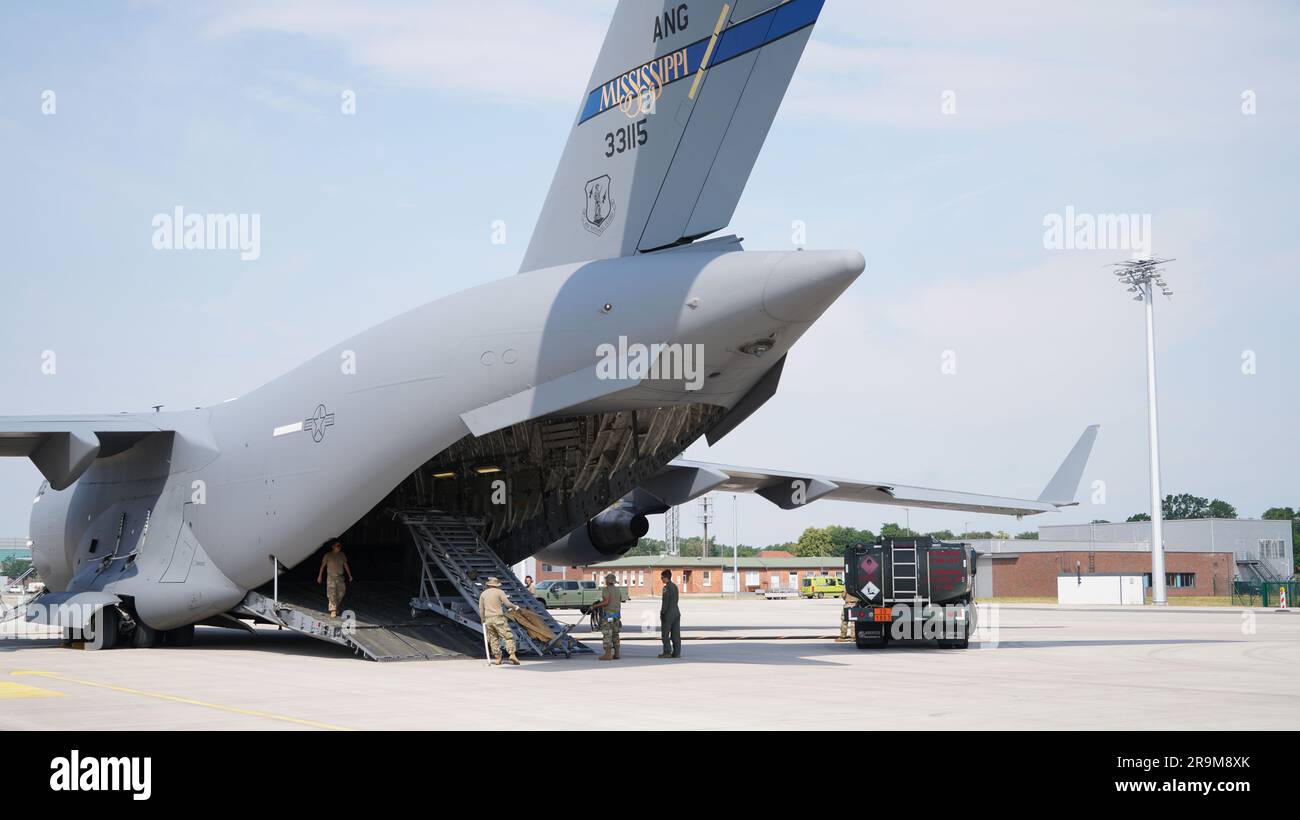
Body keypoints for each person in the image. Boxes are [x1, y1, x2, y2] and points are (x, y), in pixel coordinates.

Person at [479, 577, 521, 665]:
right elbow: (508, 604)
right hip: (498, 618)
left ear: (488, 584)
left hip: (488, 619)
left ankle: (498, 658)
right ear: (497, 585)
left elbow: (481, 609)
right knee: (507, 636)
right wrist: (515, 607)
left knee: (493, 639)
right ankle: (512, 655)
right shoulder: (499, 592)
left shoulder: (483, 594)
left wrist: (482, 620)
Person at [316, 540, 353, 618]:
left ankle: (335, 606)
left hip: (340, 577)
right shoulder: (328, 555)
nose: (339, 547)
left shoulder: (342, 555)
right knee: (332, 593)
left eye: (340, 545)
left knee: (342, 592)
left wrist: (350, 575)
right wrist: (320, 576)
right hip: (331, 577)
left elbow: (345, 565)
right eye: (337, 545)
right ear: (333, 546)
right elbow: (322, 566)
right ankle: (333, 610)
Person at [591, 573, 622, 661]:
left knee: (607, 634)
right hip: (617, 615)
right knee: (616, 634)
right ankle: (617, 654)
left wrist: (595, 606)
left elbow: (606, 602)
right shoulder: (617, 589)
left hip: (609, 615)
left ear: (608, 581)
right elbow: (619, 600)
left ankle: (607, 655)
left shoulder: (606, 589)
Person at [657, 569, 681, 659]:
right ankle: (677, 652)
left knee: (665, 634)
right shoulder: (675, 586)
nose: (661, 579)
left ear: (666, 578)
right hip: (676, 612)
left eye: (662, 577)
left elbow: (665, 602)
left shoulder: (666, 588)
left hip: (668, 613)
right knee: (676, 634)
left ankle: (667, 652)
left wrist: (662, 613)